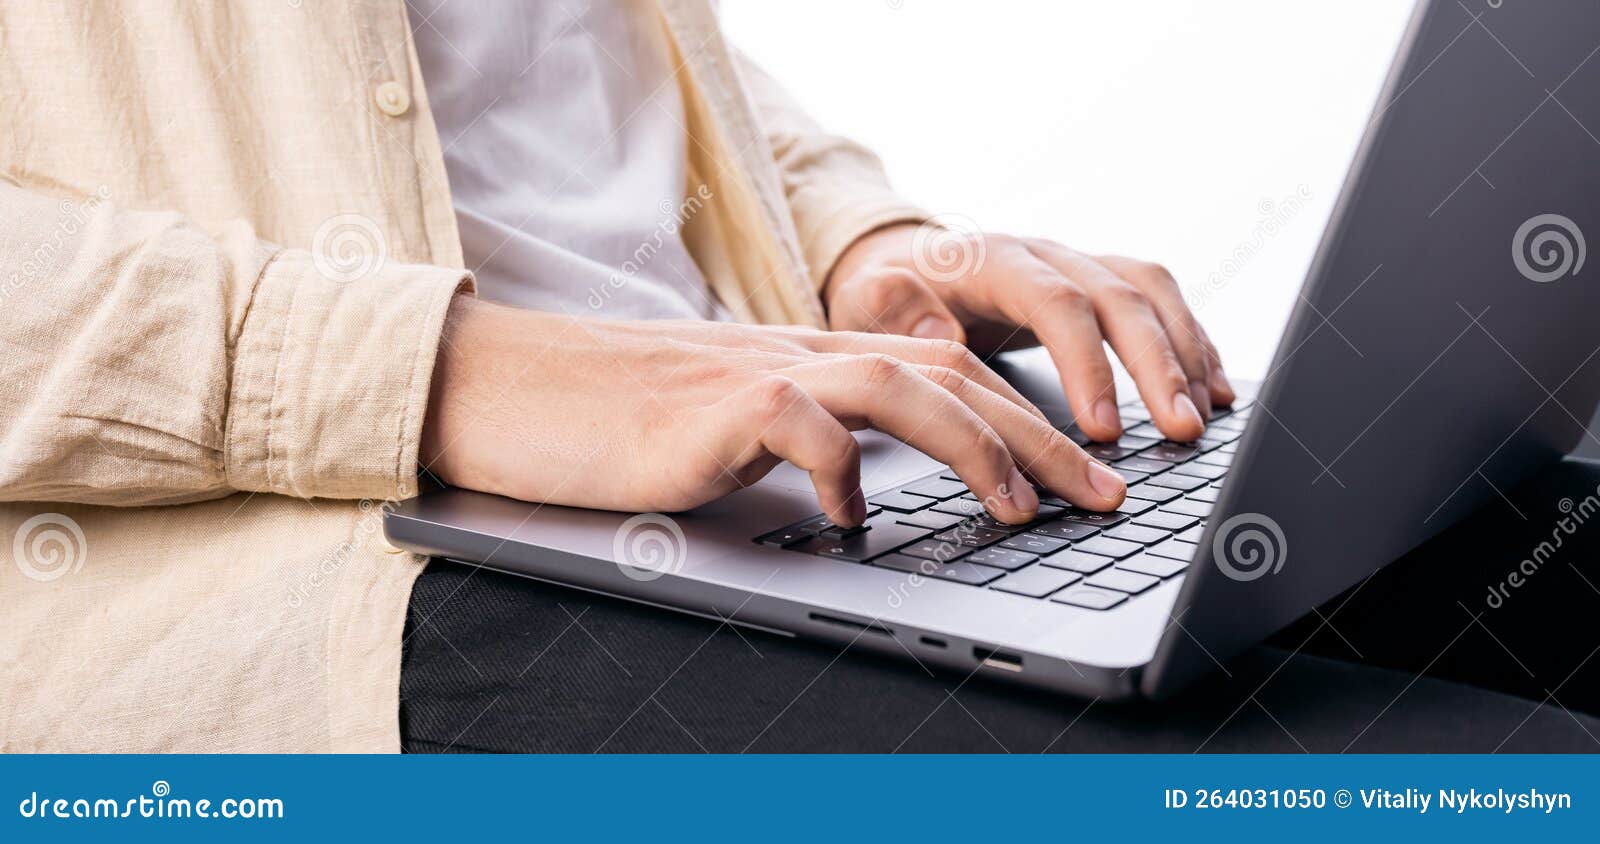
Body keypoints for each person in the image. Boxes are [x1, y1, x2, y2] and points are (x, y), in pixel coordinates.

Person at [3, 2, 1591, 753]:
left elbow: (563, 63)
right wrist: (445, 370)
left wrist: (858, 243)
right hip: (317, 557)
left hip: (772, 431)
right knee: (1485, 783)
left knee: (1554, 580)